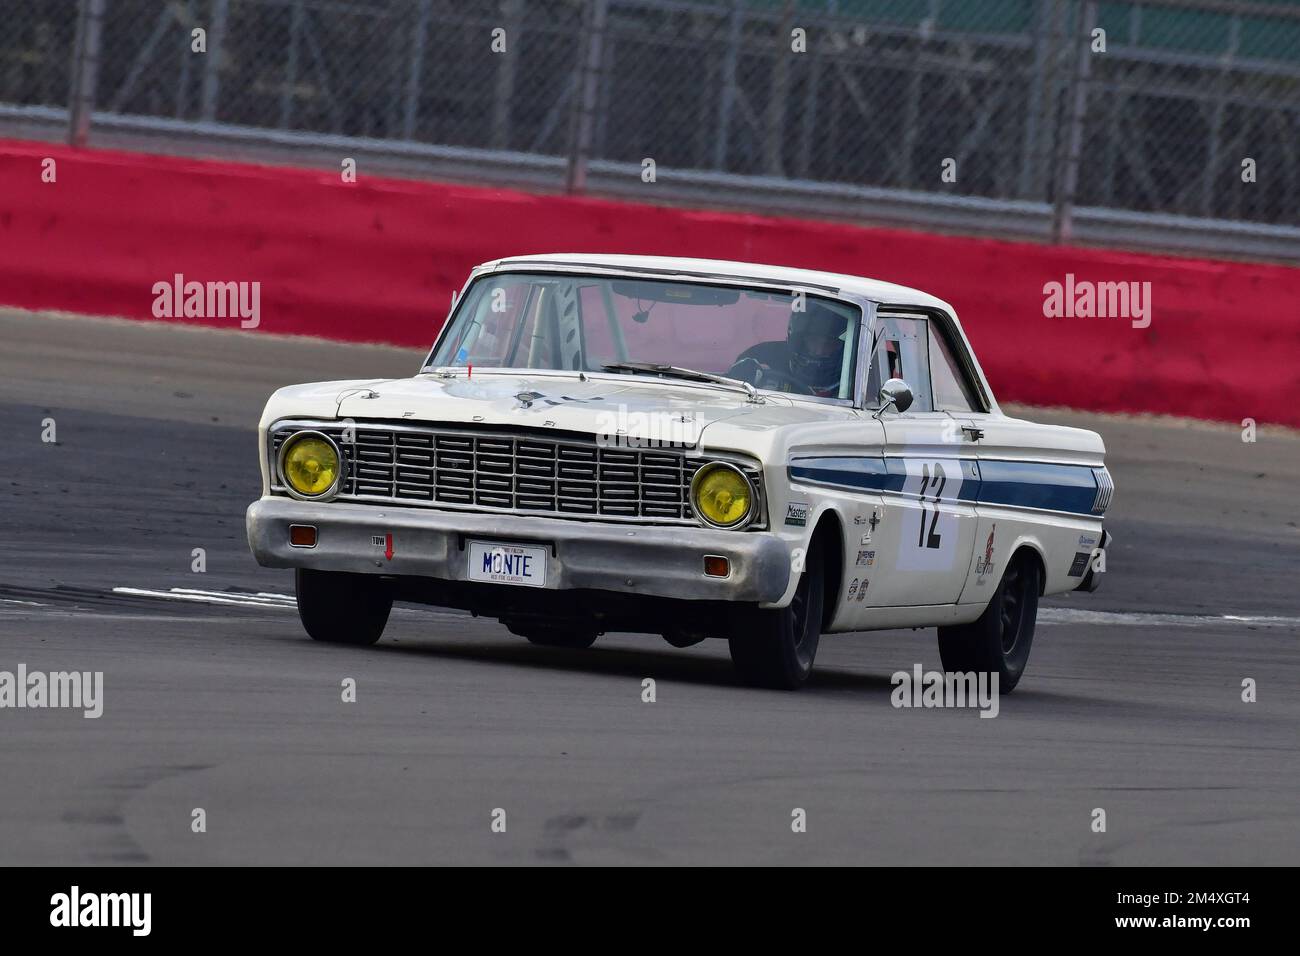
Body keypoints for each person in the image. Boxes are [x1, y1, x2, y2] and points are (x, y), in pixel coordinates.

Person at [726, 301, 848, 397]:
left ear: (842, 347)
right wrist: (747, 377)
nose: (819, 350)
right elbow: (729, 396)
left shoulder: (853, 374)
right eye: (813, 341)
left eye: (828, 344)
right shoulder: (760, 356)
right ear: (799, 340)